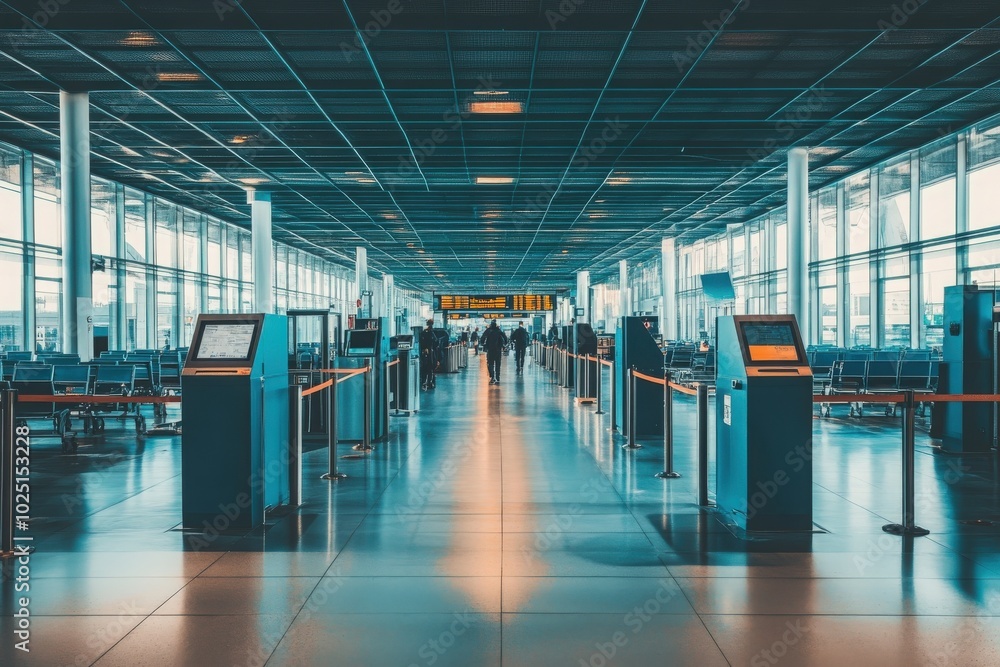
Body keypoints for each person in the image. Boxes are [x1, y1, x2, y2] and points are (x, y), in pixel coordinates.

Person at [479, 319, 508, 385]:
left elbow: (483, 338)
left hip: (490, 349)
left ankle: (492, 376)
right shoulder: (498, 330)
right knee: (498, 363)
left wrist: (482, 344)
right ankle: (497, 377)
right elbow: (505, 337)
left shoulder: (488, 330)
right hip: (498, 349)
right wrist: (504, 344)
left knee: (490, 363)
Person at [419, 319, 439, 390]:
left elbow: (421, 341)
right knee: (431, 368)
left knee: (425, 368)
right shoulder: (433, 332)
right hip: (431, 353)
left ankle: (424, 382)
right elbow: (436, 342)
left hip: (425, 352)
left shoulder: (424, 332)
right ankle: (430, 382)